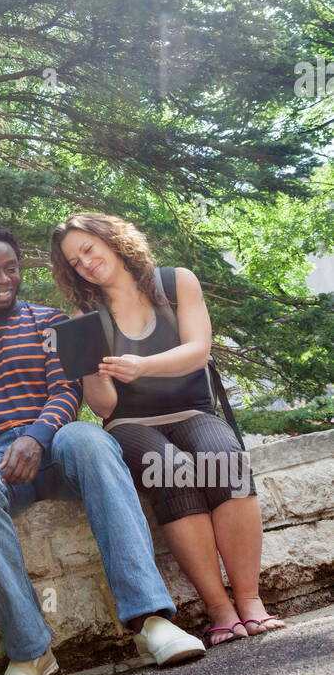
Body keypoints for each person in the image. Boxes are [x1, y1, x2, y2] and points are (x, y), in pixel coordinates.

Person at [0, 224, 205, 675]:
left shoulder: (51, 322)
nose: (4, 278)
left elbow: (67, 390)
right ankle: (30, 654)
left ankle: (151, 621)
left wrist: (39, 437)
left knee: (94, 442)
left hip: (57, 446)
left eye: (11, 268)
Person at [51, 212, 285, 644]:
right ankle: (220, 609)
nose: (85, 263)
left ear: (112, 239)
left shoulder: (177, 282)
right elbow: (103, 406)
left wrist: (140, 366)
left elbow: (197, 352)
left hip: (194, 410)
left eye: (88, 249)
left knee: (225, 459)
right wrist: (96, 375)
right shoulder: (84, 316)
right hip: (130, 423)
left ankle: (250, 601)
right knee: (170, 468)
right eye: (74, 261)